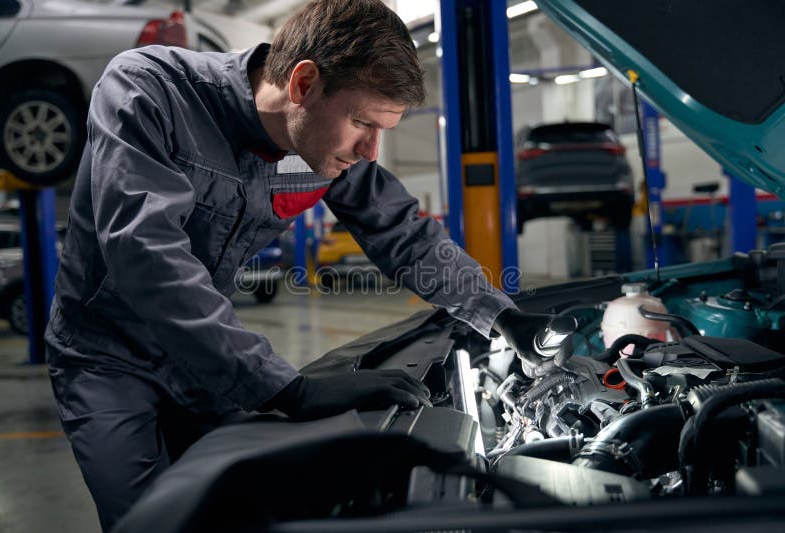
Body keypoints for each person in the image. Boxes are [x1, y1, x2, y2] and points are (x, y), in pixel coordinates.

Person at [45, 0, 539, 529]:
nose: (371, 151)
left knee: (235, 509)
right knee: (150, 520)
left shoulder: (323, 143)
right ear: (303, 84)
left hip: (204, 361)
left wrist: (501, 316)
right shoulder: (149, 90)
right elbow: (147, 256)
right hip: (107, 359)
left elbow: (404, 234)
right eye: (361, 123)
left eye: (382, 131)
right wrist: (288, 389)